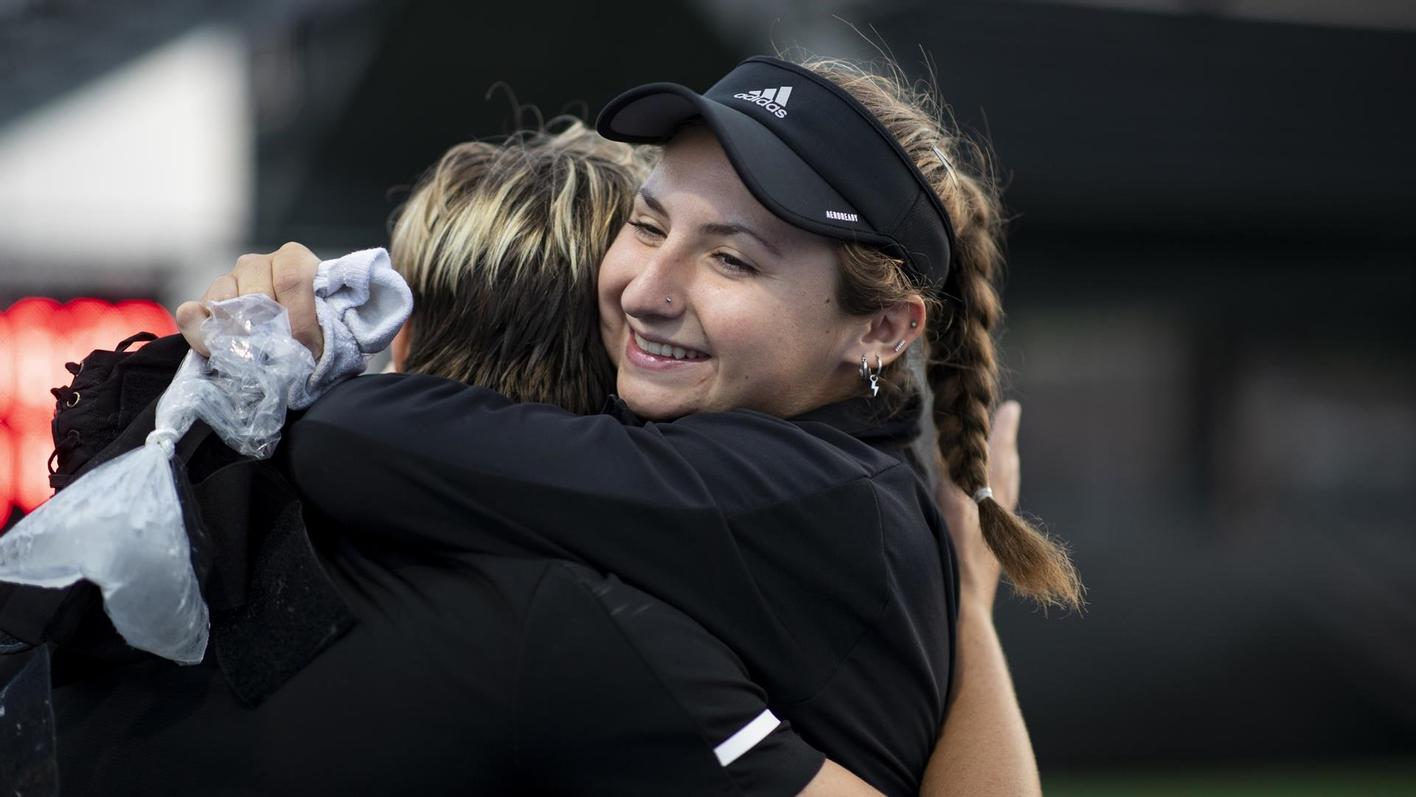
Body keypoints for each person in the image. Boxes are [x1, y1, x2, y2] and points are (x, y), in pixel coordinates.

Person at [182, 55, 1080, 795]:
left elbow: (355, 439)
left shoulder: (797, 493)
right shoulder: (844, 482)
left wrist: (299, 353)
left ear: (880, 328)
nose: (648, 290)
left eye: (732, 258)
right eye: (648, 225)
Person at [16, 121, 877, 796]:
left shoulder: (174, 538)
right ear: (627, 345)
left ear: (402, 334)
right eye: (650, 240)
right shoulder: (578, 632)